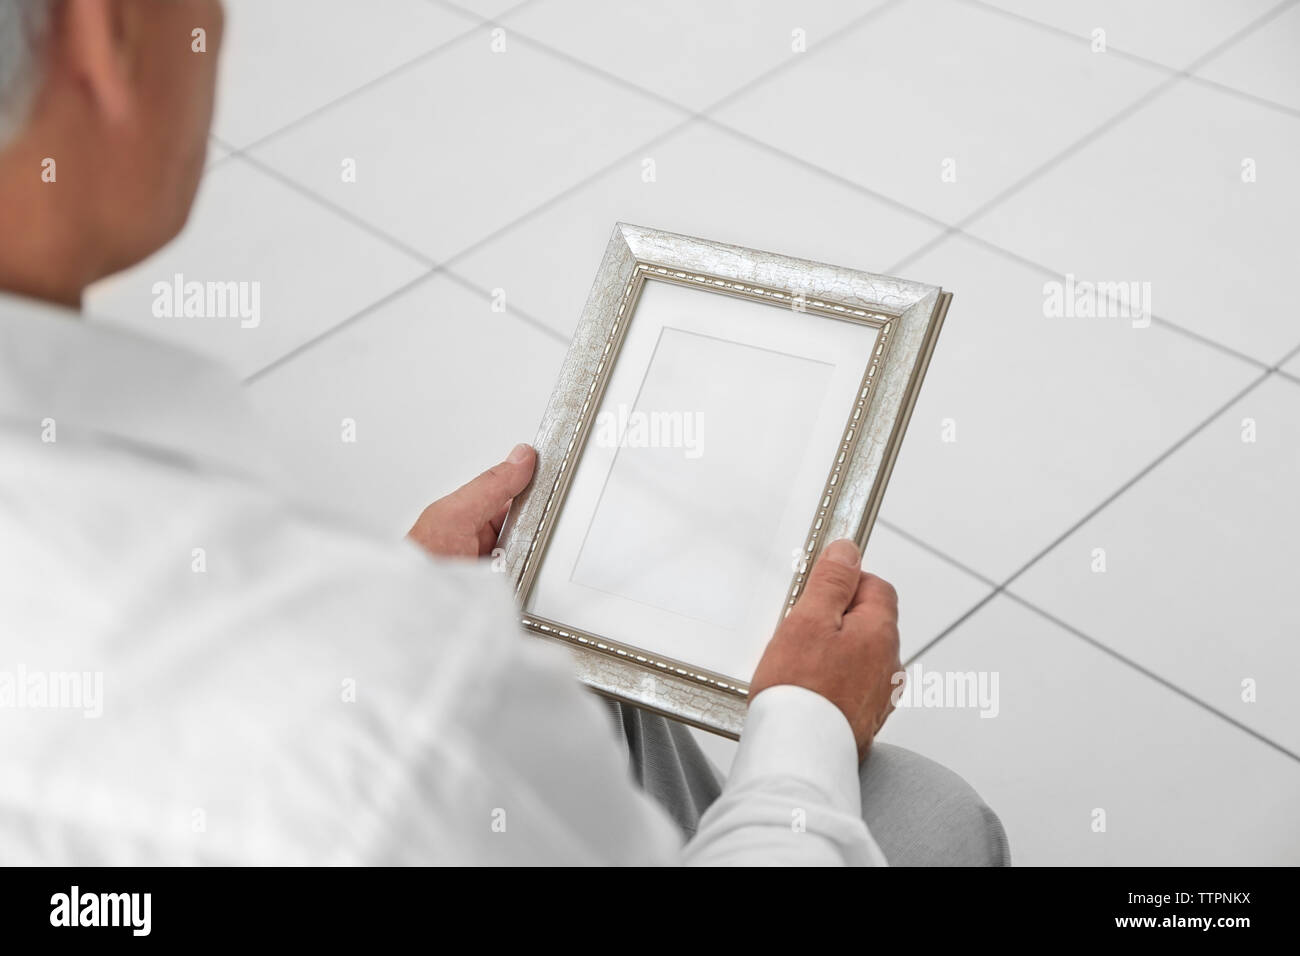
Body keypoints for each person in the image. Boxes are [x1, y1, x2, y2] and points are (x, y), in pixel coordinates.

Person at [0, 0, 1008, 865]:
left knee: (613, 698)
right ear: (105, 30)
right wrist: (808, 721)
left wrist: (400, 605)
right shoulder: (394, 737)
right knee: (934, 815)